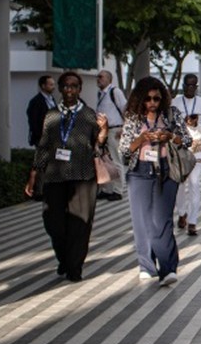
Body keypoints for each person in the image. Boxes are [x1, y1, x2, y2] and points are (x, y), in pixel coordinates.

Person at [24, 71, 108, 282]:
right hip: (55, 175)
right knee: (53, 223)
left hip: (83, 176)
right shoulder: (51, 115)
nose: (70, 90)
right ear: (60, 89)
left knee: (80, 225)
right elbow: (43, 146)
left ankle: (74, 267)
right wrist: (34, 173)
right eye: (66, 86)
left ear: (80, 90)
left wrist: (103, 133)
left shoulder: (89, 115)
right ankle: (64, 258)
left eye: (74, 86)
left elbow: (98, 145)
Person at [118, 77, 189, 286]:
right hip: (139, 171)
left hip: (166, 170)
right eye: (148, 98)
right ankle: (146, 265)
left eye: (157, 98)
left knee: (162, 220)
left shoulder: (171, 114)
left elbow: (187, 140)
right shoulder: (133, 118)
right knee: (142, 221)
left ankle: (168, 268)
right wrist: (142, 139)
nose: (152, 103)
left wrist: (169, 136)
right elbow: (123, 150)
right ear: (141, 98)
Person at [173, 74, 201, 234]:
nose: (190, 88)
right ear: (183, 86)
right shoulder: (175, 103)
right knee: (180, 184)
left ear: (196, 87)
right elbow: (170, 124)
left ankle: (193, 221)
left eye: (193, 85)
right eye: (187, 85)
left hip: (197, 147)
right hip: (180, 148)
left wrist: (198, 125)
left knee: (194, 182)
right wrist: (182, 123)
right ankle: (182, 213)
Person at [96, 70, 127, 201]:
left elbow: (125, 109)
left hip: (114, 130)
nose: (98, 79)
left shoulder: (115, 92)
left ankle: (118, 190)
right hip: (103, 131)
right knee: (104, 161)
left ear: (109, 79)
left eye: (101, 77)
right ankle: (107, 189)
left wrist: (124, 128)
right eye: (98, 77)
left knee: (116, 160)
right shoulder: (100, 94)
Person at [26, 74, 56, 146]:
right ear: (43, 86)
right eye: (51, 85)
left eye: (53, 85)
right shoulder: (36, 101)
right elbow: (33, 120)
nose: (53, 87)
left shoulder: (52, 100)